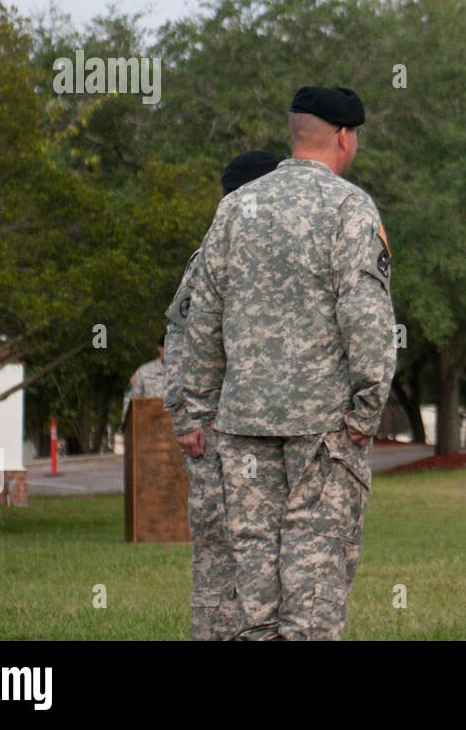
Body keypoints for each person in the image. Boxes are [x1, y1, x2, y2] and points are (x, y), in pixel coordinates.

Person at [181, 86, 396, 641]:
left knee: (256, 602)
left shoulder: (235, 207)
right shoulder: (350, 207)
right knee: (314, 596)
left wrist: (196, 410)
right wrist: (367, 409)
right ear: (345, 137)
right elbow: (367, 319)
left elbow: (202, 316)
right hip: (322, 432)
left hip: (242, 430)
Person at [163, 149, 283, 641]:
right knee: (219, 556)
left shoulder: (282, 252)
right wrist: (186, 417)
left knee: (272, 555)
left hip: (269, 430)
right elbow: (179, 336)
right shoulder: (213, 255)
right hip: (217, 433)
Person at [121, 335, 166, 429]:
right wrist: (126, 428)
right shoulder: (143, 372)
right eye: (167, 346)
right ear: (159, 348)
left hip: (180, 432)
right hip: (150, 429)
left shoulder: (185, 373)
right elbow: (131, 401)